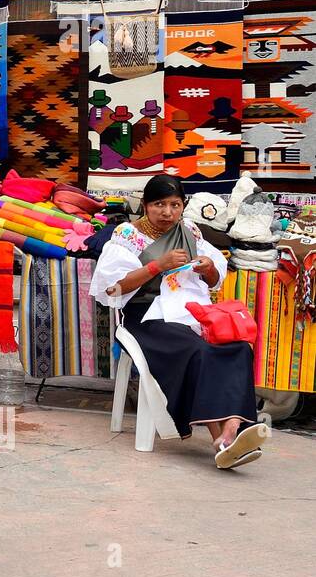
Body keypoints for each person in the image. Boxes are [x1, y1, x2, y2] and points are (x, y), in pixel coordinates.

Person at [91, 173, 266, 469]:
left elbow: (213, 280)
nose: (168, 212)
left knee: (237, 346)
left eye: (175, 204)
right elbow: (112, 289)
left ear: (183, 206)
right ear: (145, 205)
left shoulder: (191, 232)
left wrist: (207, 268)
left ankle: (231, 432)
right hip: (146, 316)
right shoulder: (126, 236)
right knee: (198, 350)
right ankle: (223, 437)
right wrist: (157, 265)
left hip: (190, 312)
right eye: (159, 204)